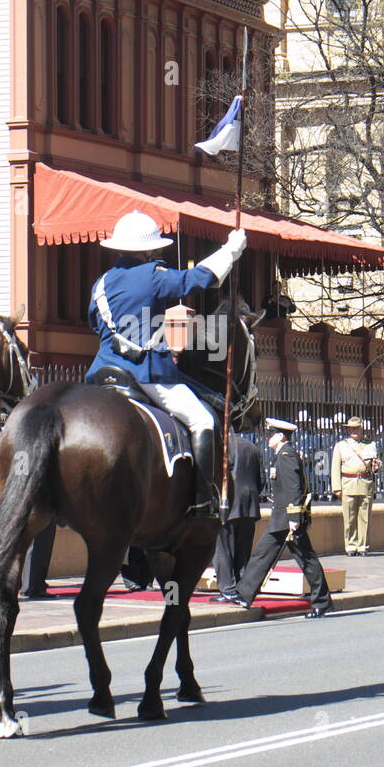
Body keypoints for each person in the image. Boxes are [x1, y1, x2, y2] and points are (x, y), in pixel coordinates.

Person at [86, 210, 248, 517]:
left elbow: (95, 325)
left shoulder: (101, 283)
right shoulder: (154, 275)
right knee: (203, 420)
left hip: (102, 371)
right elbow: (199, 279)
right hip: (146, 371)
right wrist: (231, 250)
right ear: (148, 250)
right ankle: (203, 502)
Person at [228, 417, 333, 619]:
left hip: (288, 520)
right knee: (262, 555)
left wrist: (294, 518)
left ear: (280, 436)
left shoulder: (286, 456)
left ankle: (322, 602)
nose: (267, 438)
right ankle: (244, 594)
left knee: (307, 560)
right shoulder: (282, 455)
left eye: (271, 434)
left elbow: (294, 488)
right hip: (281, 518)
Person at [212, 433, 264, 603]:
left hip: (228, 503)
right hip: (249, 504)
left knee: (223, 549)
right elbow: (261, 480)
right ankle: (242, 586)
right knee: (243, 549)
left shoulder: (221, 446)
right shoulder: (252, 447)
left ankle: (227, 588)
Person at [332, 416, 380, 556]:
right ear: (348, 430)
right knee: (349, 517)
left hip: (365, 483)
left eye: (356, 428)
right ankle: (351, 546)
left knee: (364, 517)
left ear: (361, 429)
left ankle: (363, 546)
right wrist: (337, 487)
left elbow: (374, 465)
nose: (354, 430)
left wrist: (377, 466)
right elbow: (335, 467)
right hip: (348, 483)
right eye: (351, 428)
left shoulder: (370, 444)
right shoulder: (341, 446)